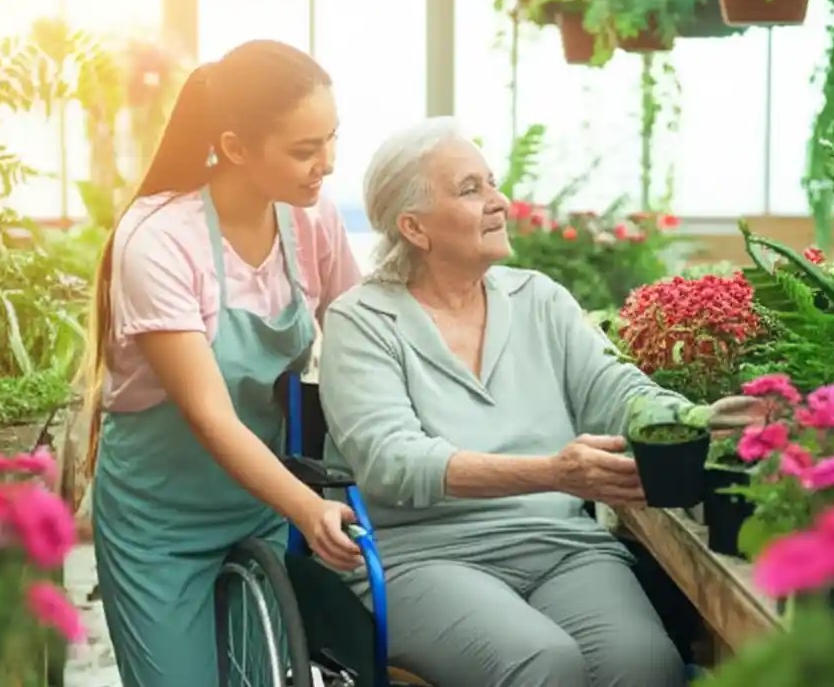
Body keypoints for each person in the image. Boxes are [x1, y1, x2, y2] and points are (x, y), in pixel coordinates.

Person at [317, 117, 766, 687]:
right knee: (543, 662)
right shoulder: (362, 321)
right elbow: (392, 462)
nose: (498, 202)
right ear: (414, 227)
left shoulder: (539, 299)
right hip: (424, 556)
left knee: (644, 666)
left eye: (492, 182)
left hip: (559, 546)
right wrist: (554, 473)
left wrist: (701, 418)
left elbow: (615, 391)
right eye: (469, 189)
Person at [77, 40, 364, 686]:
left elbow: (359, 340)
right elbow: (209, 415)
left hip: (259, 500)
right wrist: (307, 508)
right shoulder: (159, 241)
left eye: (331, 139)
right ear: (235, 147)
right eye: (304, 149)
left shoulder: (312, 218)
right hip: (160, 522)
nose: (326, 165)